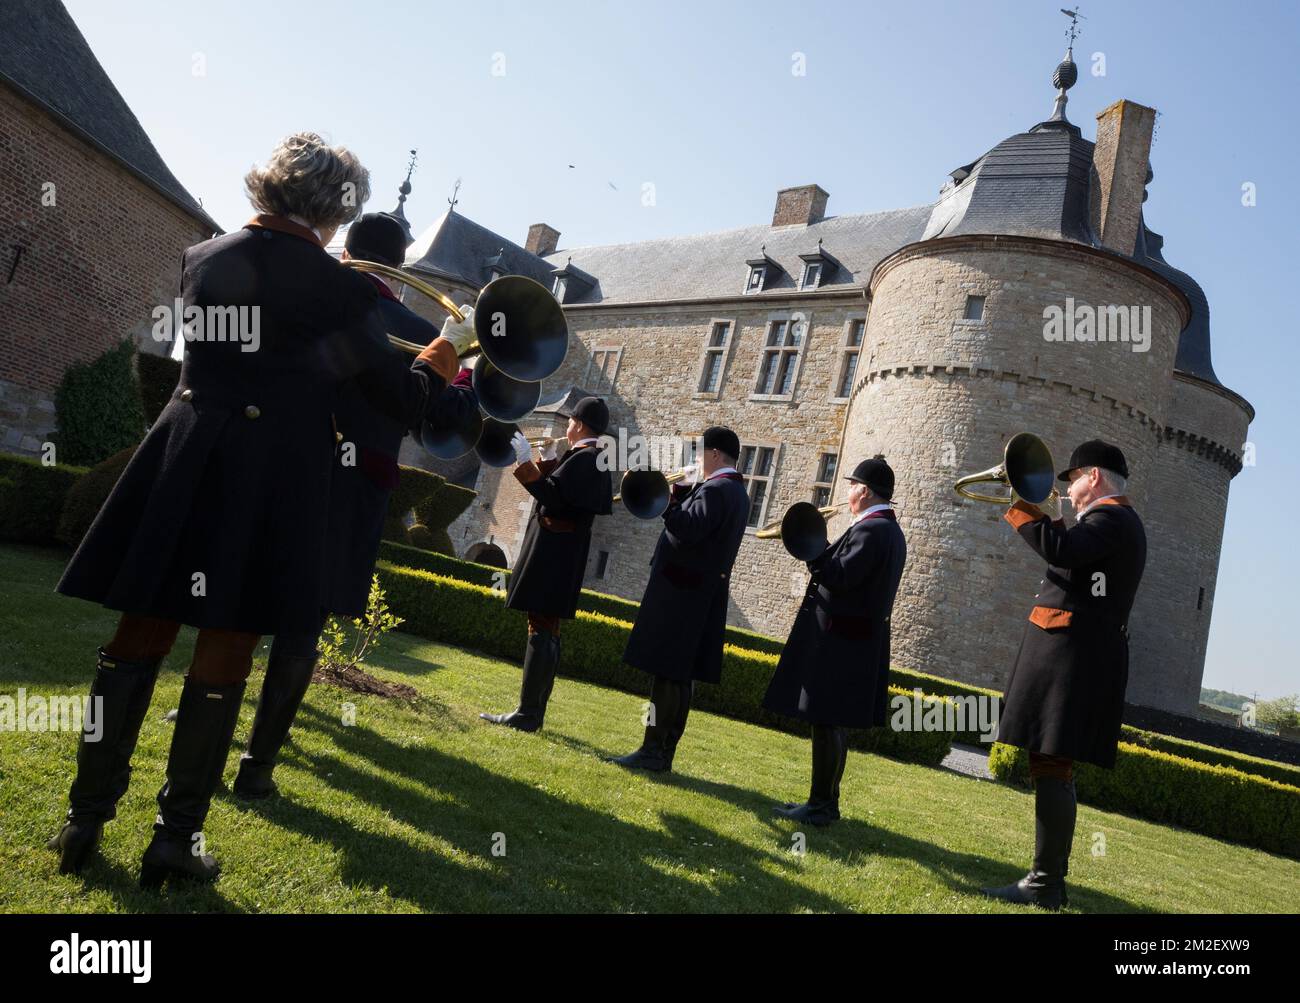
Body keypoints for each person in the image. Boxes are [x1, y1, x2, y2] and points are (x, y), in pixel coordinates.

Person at [47, 133, 451, 889]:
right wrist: (434, 363)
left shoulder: (204, 257)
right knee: (223, 655)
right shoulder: (344, 291)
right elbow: (395, 400)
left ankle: (85, 815)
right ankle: (174, 840)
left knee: (136, 637)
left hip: (184, 453)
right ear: (334, 208)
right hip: (269, 477)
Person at [232, 211, 478, 800]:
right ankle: (258, 764)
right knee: (304, 623)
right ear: (401, 265)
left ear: (347, 249)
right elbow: (434, 424)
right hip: (350, 488)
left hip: (274, 462)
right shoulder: (421, 330)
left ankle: (205, 721)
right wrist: (460, 366)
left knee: (239, 595)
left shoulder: (303, 293)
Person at [981, 439, 1146, 911]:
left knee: (1053, 764)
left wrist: (1019, 508)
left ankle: (1045, 882)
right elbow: (1070, 558)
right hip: (1077, 654)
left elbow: (1064, 551)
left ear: (1092, 476)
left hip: (1074, 657)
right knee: (1051, 764)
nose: (1069, 491)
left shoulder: (1112, 518)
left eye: (1072, 481)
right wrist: (1049, 519)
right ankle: (1046, 879)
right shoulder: (1112, 523)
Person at [761, 457, 906, 826]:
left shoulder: (872, 531)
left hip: (842, 641)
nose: (847, 491)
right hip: (854, 640)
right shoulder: (885, 529)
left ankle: (821, 805)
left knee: (825, 722)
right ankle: (826, 801)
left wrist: (814, 548)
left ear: (866, 491)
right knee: (831, 723)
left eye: (852, 484)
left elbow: (840, 577)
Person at [609, 426, 749, 773]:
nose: (696, 460)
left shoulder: (716, 490)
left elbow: (687, 530)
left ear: (715, 454)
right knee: (680, 676)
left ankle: (652, 749)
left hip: (682, 593)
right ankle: (663, 750)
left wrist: (669, 501)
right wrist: (687, 492)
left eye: (700, 453)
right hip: (698, 593)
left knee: (667, 674)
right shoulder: (733, 491)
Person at [479, 397, 613, 732]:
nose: (566, 426)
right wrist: (549, 461)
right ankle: (533, 712)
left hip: (553, 553)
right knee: (548, 628)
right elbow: (565, 494)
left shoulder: (585, 458)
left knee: (540, 627)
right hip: (565, 555)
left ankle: (527, 713)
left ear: (579, 424)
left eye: (570, 421)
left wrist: (525, 463)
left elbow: (552, 499)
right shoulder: (592, 459)